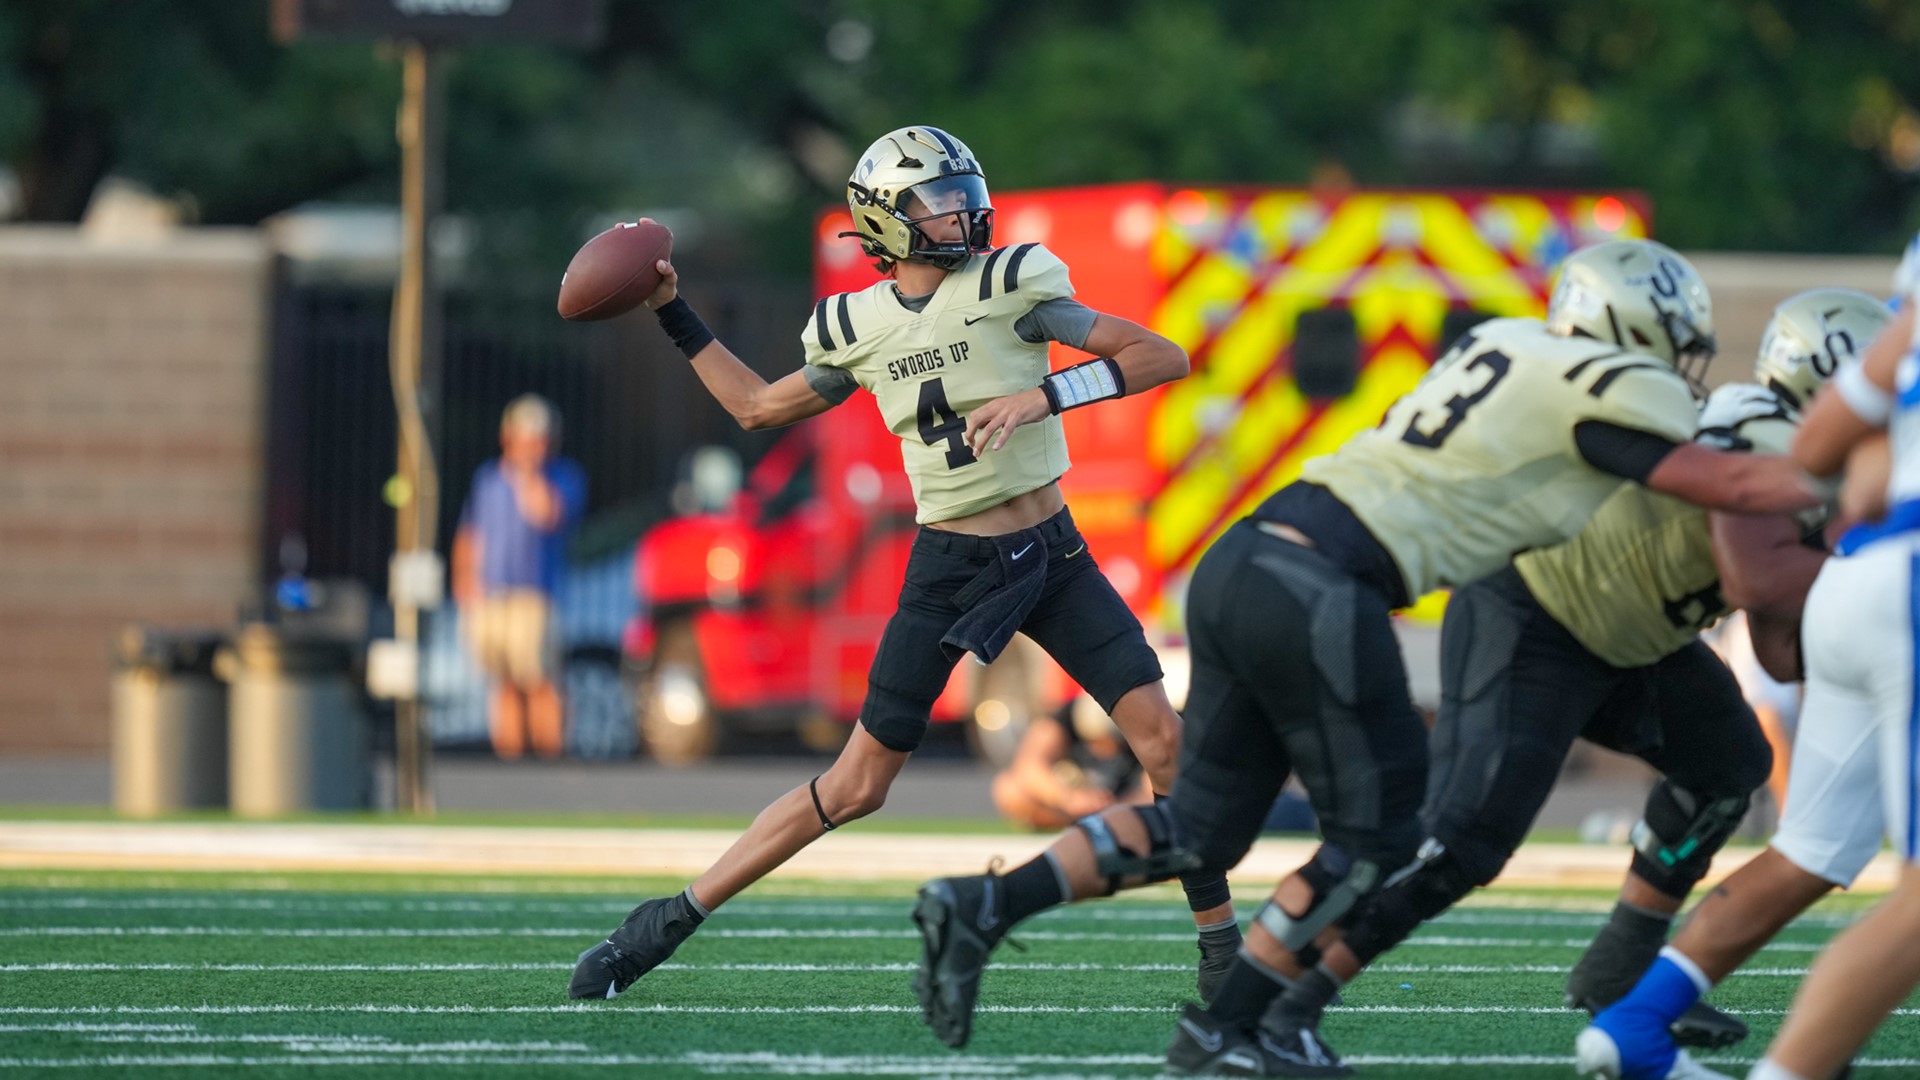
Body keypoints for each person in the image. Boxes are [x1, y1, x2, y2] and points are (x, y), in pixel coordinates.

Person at [910, 238, 1829, 1066]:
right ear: (1631, 329)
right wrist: (1871, 477)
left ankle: (987, 904)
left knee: (1204, 823)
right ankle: (1226, 1030)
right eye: (1673, 340)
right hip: (1324, 585)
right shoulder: (1613, 382)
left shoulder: (1510, 345)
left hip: (1248, 556)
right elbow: (1739, 479)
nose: (1683, 365)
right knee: (1382, 832)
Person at [567, 125, 1240, 1003]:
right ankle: (659, 926)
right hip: (951, 561)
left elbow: (1160, 355)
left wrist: (1045, 393)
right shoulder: (855, 324)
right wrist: (670, 310)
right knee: (854, 785)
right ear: (884, 220)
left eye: (966, 195)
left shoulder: (1012, 284)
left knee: (1165, 742)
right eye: (938, 200)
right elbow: (758, 407)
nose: (963, 213)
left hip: (1054, 552)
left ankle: (1225, 953)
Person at [1261, 286, 1879, 1080]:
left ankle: (1620, 973)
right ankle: (1283, 1004)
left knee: (1728, 766)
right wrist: (1862, 566)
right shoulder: (1761, 427)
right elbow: (1757, 576)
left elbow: (1780, 647)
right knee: (1461, 839)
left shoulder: (1796, 443)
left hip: (1631, 636)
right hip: (1538, 614)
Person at [1587, 249, 1920, 1080]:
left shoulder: (1894, 341)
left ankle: (1637, 1018)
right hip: (1904, 589)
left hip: (1858, 586)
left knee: (1809, 851)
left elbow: (1846, 462)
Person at [451, 394, 587, 760]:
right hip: (492, 592)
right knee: (504, 680)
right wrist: (465, 577)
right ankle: (509, 758)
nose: (534, 445)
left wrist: (528, 474)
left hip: (535, 594)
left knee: (540, 678)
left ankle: (551, 755)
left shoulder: (563, 477)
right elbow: (471, 533)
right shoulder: (488, 478)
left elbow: (547, 514)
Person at [993, 696, 1150, 831]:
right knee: (1009, 789)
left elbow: (1156, 788)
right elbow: (1029, 766)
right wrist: (1068, 799)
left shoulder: (1142, 730)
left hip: (1120, 806)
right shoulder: (1062, 721)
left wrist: (1117, 809)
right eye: (1095, 743)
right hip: (1066, 805)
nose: (1102, 752)